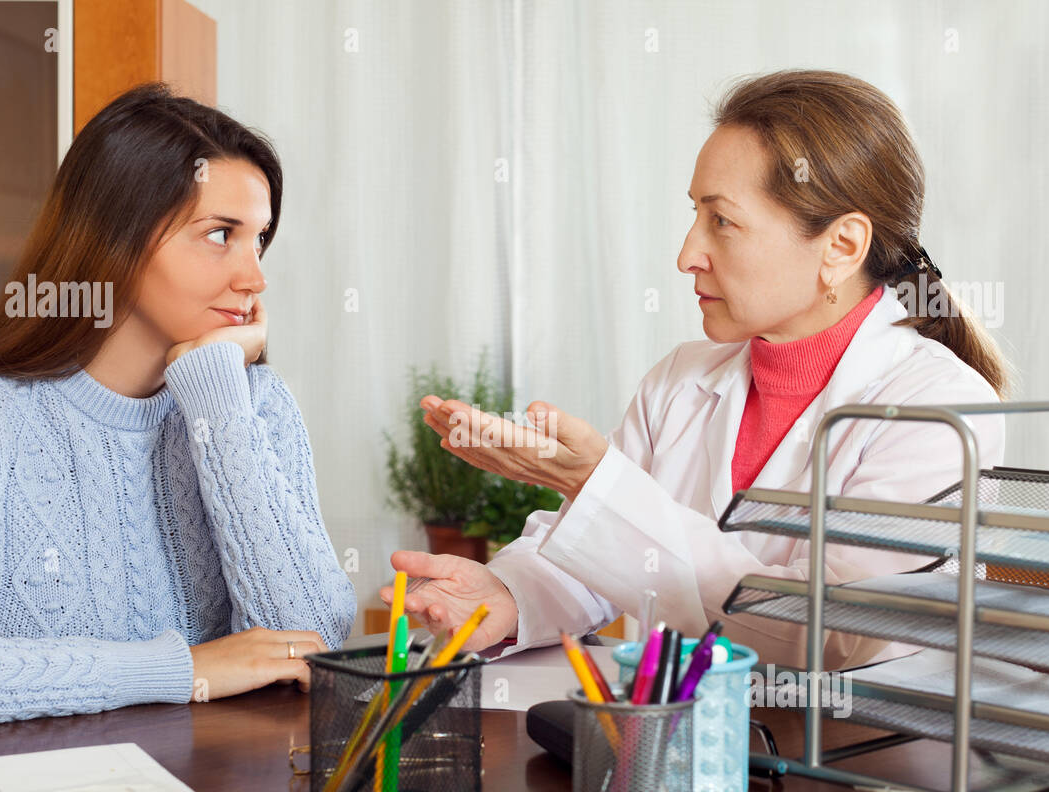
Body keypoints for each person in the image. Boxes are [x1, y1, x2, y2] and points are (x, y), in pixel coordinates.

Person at [382, 69, 1011, 670]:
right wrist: (509, 596)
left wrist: (596, 487)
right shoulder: (680, 379)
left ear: (841, 246)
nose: (687, 255)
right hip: (694, 746)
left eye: (722, 221)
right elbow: (599, 560)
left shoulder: (943, 407)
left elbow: (838, 632)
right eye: (694, 215)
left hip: (863, 762)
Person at [0, 83, 356, 735]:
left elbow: (307, 645)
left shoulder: (248, 403)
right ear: (117, 238)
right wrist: (178, 671)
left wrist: (215, 400)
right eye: (220, 234)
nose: (254, 278)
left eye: (258, 240)